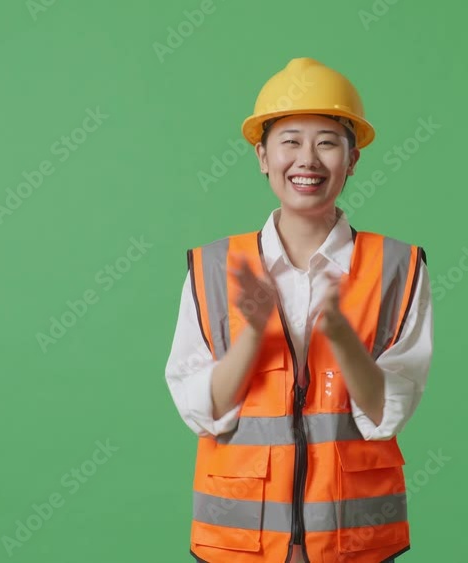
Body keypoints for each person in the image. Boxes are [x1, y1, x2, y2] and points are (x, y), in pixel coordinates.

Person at [165, 57, 434, 563]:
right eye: (290, 141)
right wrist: (253, 333)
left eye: (327, 142)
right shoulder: (213, 267)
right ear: (262, 155)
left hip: (353, 541)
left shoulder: (399, 266)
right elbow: (204, 412)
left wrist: (340, 333)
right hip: (240, 542)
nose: (307, 159)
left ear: (352, 160)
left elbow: (387, 414)